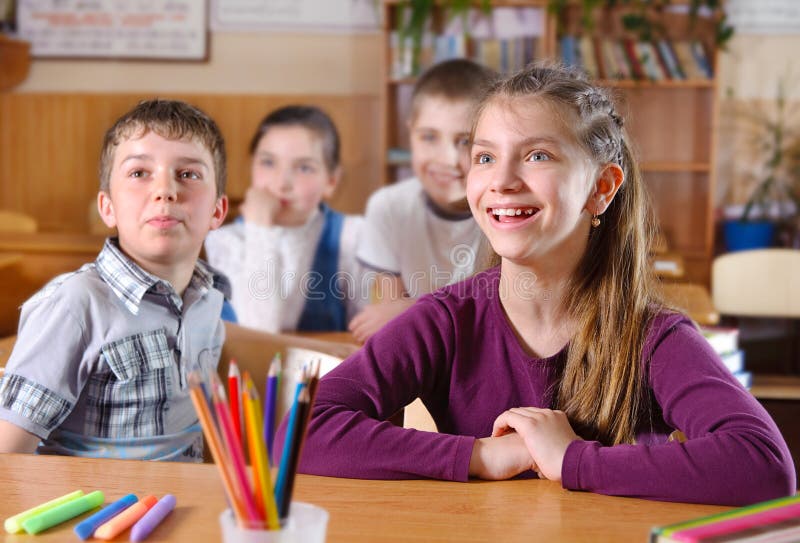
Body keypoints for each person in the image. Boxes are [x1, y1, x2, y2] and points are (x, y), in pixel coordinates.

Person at [282, 63, 796, 505]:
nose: (501, 180)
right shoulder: (447, 319)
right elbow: (300, 430)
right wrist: (480, 454)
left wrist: (572, 460)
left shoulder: (651, 336)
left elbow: (765, 465)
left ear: (600, 188)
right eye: (484, 157)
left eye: (537, 156)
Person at [0, 99, 230, 461]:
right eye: (140, 173)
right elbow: (6, 459)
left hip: (187, 504)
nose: (165, 190)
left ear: (217, 211)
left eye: (188, 174)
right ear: (108, 208)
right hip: (97, 512)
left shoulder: (209, 298)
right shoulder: (74, 304)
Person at [349, 59, 496, 342]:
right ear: (410, 133)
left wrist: (418, 310)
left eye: (465, 141)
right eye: (429, 137)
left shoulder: (506, 210)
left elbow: (505, 319)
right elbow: (386, 318)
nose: (448, 160)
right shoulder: (389, 207)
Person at [204, 105, 365, 333]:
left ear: (331, 181)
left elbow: (370, 334)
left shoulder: (352, 235)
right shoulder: (225, 241)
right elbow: (261, 332)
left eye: (304, 168)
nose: (282, 183)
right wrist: (261, 228)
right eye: (268, 163)